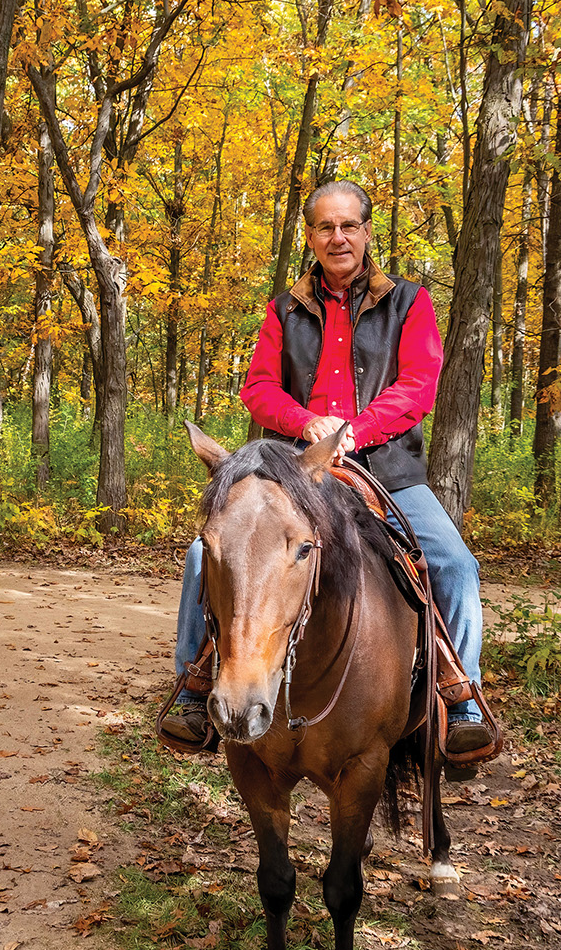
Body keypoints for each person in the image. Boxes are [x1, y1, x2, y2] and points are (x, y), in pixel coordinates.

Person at [162, 179, 491, 756]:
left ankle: (459, 698)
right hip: (294, 467)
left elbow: (418, 386)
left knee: (456, 565)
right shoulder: (284, 308)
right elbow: (259, 388)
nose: (337, 237)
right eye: (324, 227)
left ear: (366, 231)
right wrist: (305, 423)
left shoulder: (409, 302)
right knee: (203, 554)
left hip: (385, 467)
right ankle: (194, 689)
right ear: (309, 235)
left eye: (349, 226)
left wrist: (354, 432)